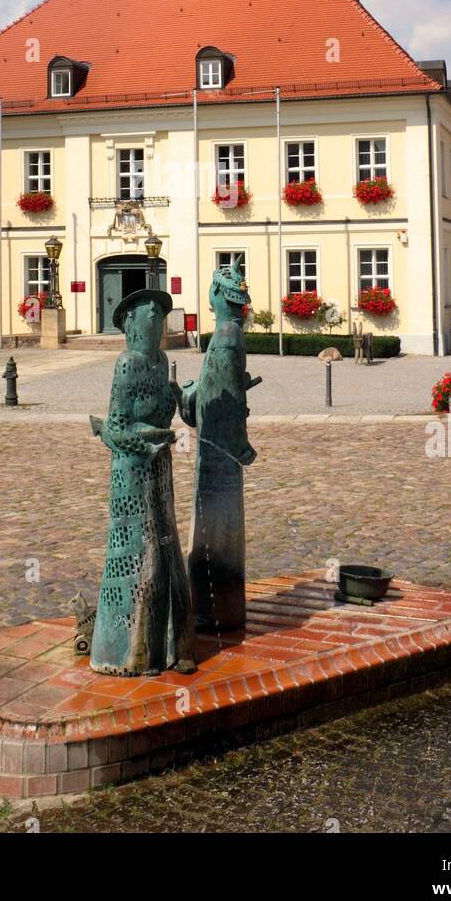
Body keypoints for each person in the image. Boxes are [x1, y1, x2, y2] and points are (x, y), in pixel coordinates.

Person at [89, 288, 196, 676]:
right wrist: (148, 439)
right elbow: (115, 429)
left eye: (161, 314)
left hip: (159, 466)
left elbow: (168, 414)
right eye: (150, 314)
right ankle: (131, 654)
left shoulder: (161, 361)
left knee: (166, 547)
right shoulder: (128, 363)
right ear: (131, 323)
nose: (158, 319)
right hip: (132, 470)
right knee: (141, 553)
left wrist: (178, 396)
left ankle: (169, 646)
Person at [181, 257, 261, 630]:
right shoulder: (226, 333)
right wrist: (193, 397)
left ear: (215, 294)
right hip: (215, 448)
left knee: (215, 531)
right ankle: (217, 609)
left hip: (218, 453)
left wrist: (239, 445)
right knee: (214, 529)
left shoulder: (227, 336)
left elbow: (229, 400)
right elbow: (219, 389)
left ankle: (215, 612)